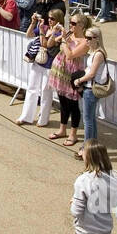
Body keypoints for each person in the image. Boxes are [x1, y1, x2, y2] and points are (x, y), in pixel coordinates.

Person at [48, 11, 90, 148]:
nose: (70, 25)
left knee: (73, 105)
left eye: (73, 23)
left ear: (81, 25)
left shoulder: (85, 42)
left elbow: (70, 55)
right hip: (60, 71)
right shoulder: (69, 34)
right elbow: (51, 43)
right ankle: (62, 129)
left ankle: (73, 134)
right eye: (70, 22)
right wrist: (55, 32)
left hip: (72, 74)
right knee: (63, 102)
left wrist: (64, 41)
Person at [71, 27, 110, 160]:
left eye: (89, 38)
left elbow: (92, 73)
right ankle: (92, 148)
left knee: (88, 120)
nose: (86, 40)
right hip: (89, 88)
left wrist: (79, 80)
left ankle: (86, 149)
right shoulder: (94, 52)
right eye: (85, 37)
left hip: (91, 89)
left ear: (96, 39)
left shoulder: (98, 54)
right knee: (91, 119)